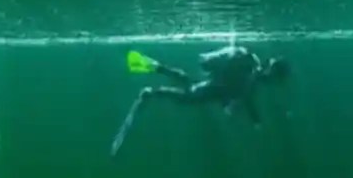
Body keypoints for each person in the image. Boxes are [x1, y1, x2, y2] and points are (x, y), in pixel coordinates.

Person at [110, 44, 290, 157]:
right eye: (275, 78)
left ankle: (158, 74)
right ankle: (152, 91)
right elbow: (242, 94)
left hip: (214, 89)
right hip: (213, 89)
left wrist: (250, 117)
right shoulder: (251, 70)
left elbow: (241, 95)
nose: (273, 82)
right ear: (272, 72)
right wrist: (254, 120)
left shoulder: (252, 72)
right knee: (189, 95)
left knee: (190, 90)